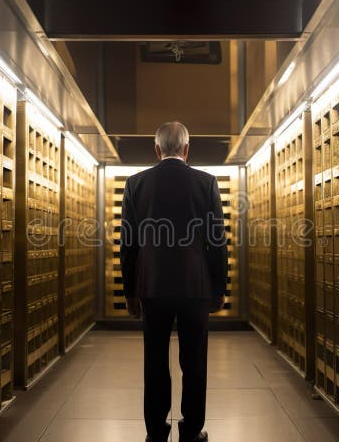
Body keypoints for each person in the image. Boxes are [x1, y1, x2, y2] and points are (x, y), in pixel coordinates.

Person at [120, 121, 228, 442]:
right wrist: (218, 287)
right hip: (195, 288)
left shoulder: (135, 184)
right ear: (187, 149)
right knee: (194, 361)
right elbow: (216, 241)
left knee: (154, 360)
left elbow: (129, 243)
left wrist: (130, 291)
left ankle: (156, 431)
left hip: (152, 287)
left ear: (157, 150)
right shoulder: (206, 183)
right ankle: (191, 430)